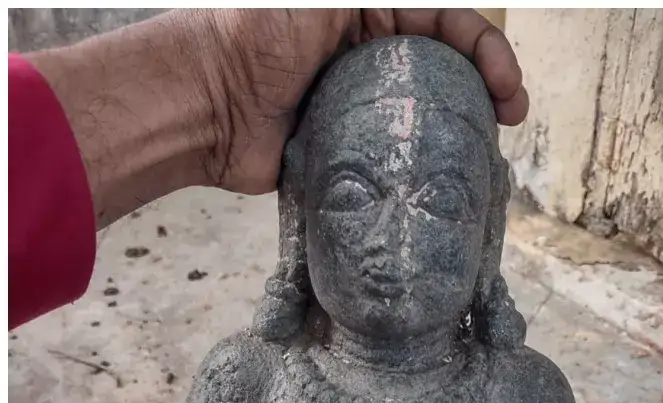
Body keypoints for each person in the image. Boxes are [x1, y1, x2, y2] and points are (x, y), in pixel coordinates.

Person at [9, 9, 529, 330]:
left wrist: (221, 78)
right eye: (352, 196)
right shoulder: (248, 385)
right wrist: (218, 74)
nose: (395, 241)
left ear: (492, 219)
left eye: (440, 201)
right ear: (296, 199)